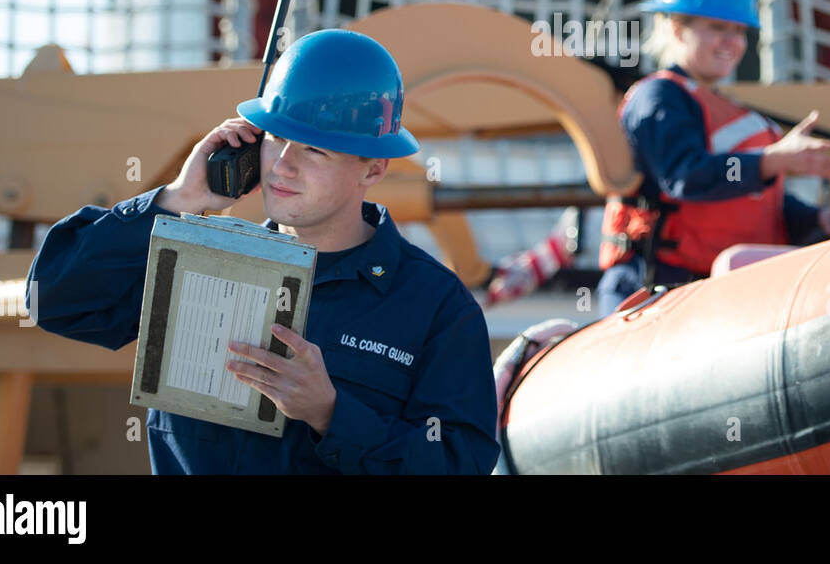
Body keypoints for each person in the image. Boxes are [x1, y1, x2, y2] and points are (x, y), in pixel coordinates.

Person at [26, 29, 499, 475]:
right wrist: (175, 201)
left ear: (373, 170)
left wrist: (331, 414)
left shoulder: (438, 308)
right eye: (274, 137)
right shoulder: (194, 259)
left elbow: (460, 464)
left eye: (315, 150)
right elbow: (53, 299)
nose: (283, 165)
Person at [597, 0, 830, 315]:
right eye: (717, 27)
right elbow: (686, 176)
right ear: (677, 28)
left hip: (711, 291)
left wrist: (813, 219)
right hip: (651, 291)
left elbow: (751, 205)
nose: (732, 41)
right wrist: (773, 159)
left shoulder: (714, 105)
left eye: (739, 30)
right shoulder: (659, 97)